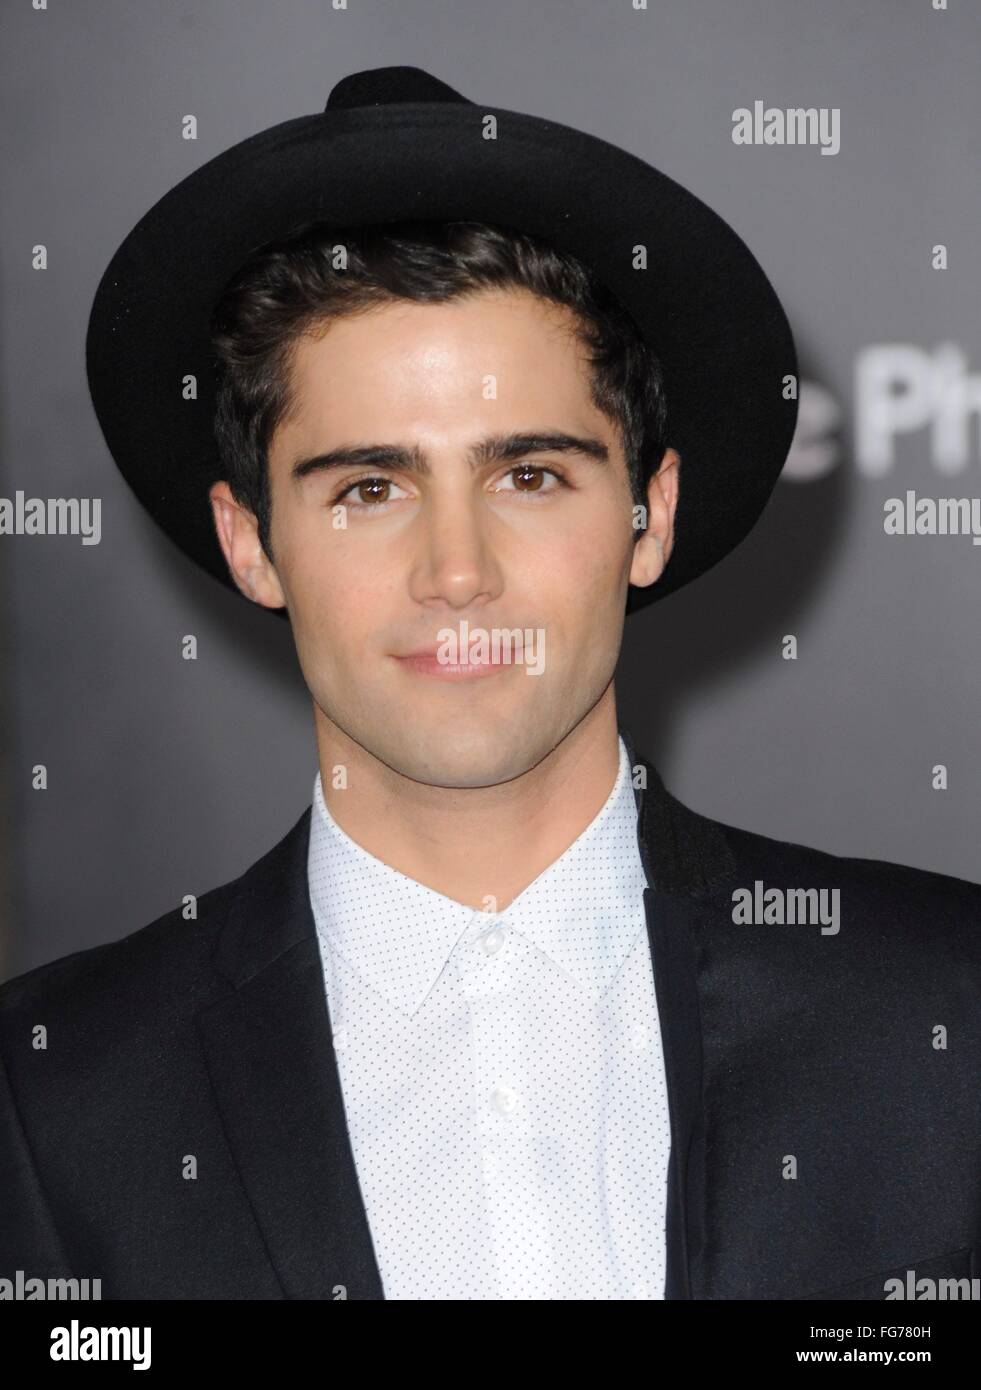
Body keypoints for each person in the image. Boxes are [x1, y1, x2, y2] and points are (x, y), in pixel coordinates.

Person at [1, 66, 978, 1302]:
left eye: (529, 476)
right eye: (369, 487)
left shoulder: (944, 1009)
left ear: (649, 514)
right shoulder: (52, 1100)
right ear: (251, 541)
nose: (455, 572)